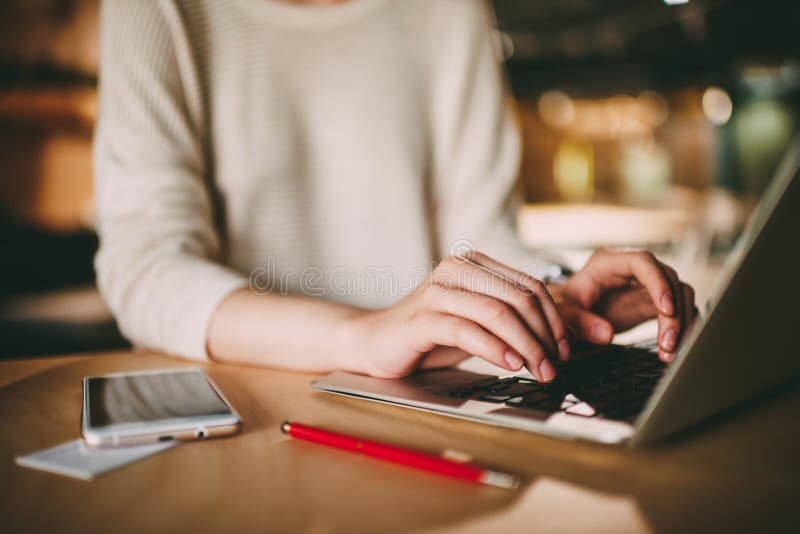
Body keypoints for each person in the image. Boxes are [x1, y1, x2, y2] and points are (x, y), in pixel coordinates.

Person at [94, 0, 696, 384]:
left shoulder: (449, 10)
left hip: (417, 397)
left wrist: (553, 299)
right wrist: (362, 337)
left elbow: (480, 237)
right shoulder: (157, 8)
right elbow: (147, 270)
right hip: (242, 401)